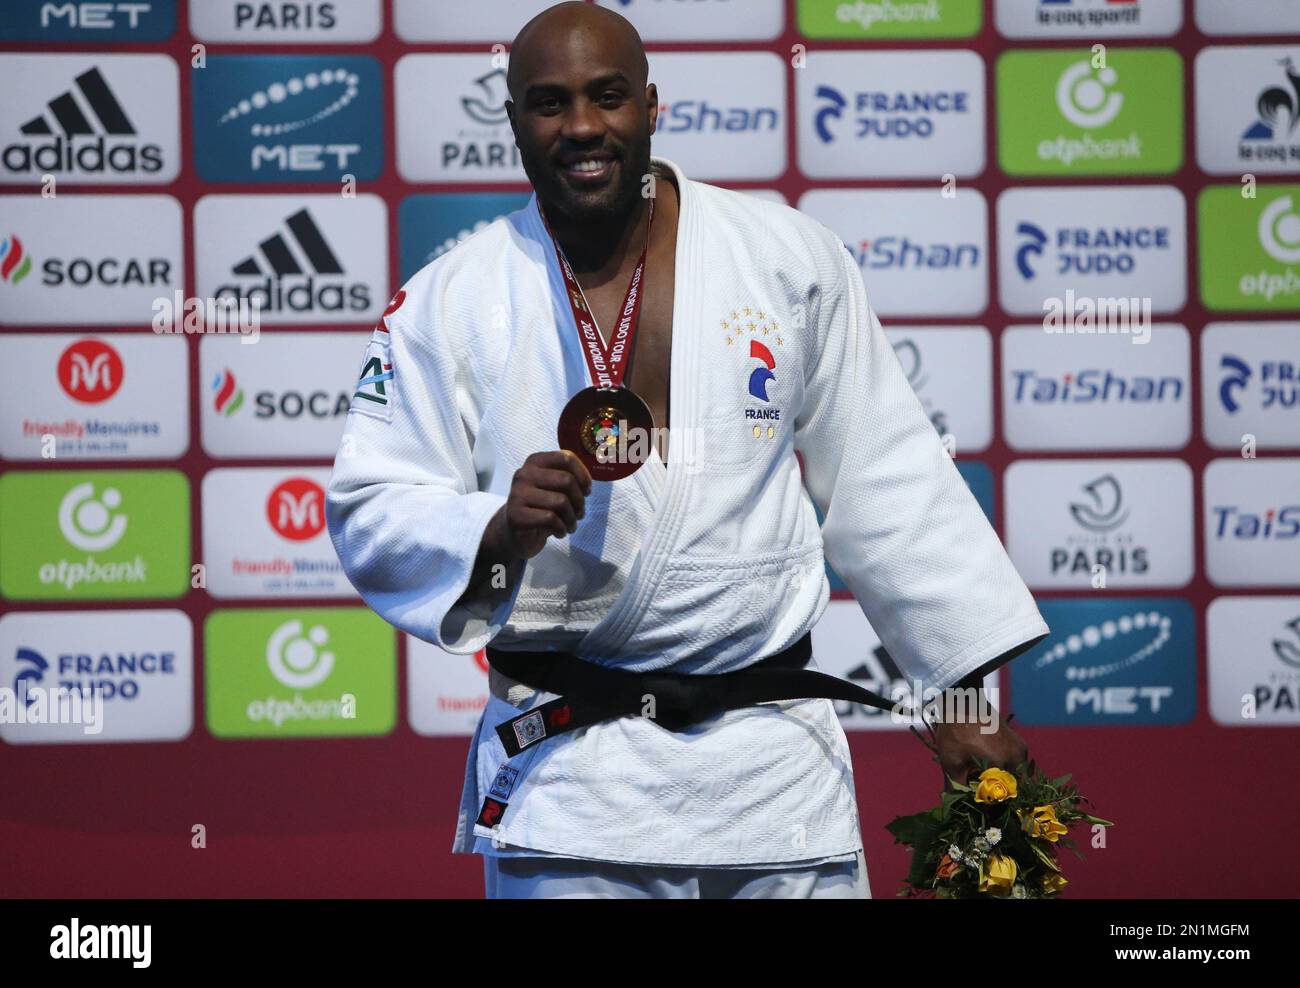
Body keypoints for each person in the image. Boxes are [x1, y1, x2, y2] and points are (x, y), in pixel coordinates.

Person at [326, 1, 1048, 899]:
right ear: (511, 121)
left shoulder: (786, 260)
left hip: (773, 773)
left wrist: (967, 697)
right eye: (549, 103)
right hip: (574, 780)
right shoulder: (450, 300)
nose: (583, 126)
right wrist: (495, 529)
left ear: (653, 106)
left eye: (609, 96)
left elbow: (891, 482)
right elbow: (371, 502)